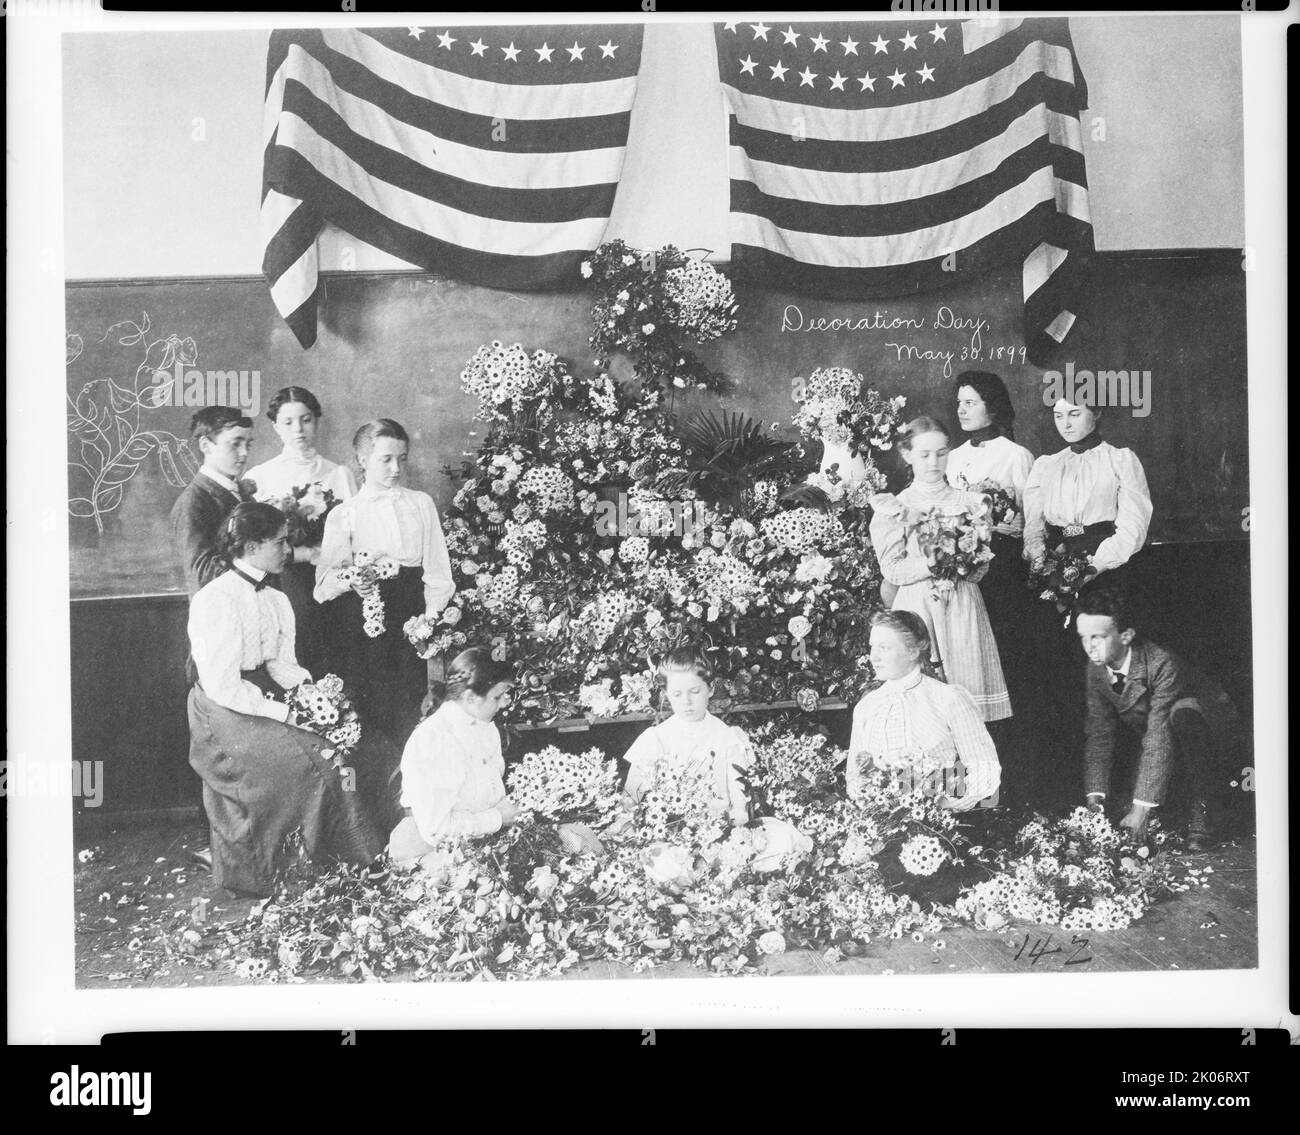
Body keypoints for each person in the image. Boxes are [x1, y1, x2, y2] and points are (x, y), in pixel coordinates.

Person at [186, 503, 386, 897]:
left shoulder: (276, 598)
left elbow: (282, 664)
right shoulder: (216, 599)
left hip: (262, 692)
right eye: (279, 542)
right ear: (249, 546)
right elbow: (222, 685)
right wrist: (286, 713)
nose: (287, 550)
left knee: (354, 744)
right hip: (222, 710)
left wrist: (313, 697)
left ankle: (350, 859)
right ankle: (297, 868)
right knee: (318, 760)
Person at [314, 419, 455, 748]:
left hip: (411, 614)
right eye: (386, 459)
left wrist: (430, 620)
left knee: (412, 703)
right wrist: (353, 582)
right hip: (364, 618)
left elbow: (437, 571)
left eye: (402, 459)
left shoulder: (420, 503)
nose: (396, 468)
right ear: (362, 460)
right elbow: (324, 583)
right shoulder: (344, 513)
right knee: (370, 704)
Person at [869, 415, 1012, 724]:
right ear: (907, 455)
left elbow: (979, 572)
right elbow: (892, 569)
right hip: (919, 609)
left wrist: (970, 563)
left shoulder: (971, 503)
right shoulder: (895, 506)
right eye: (924, 454)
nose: (934, 462)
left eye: (941, 453)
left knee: (966, 710)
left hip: (962, 608)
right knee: (924, 714)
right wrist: (933, 564)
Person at [1075, 586, 1237, 849]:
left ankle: (1205, 810)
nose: (1089, 647)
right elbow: (1099, 734)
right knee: (1136, 797)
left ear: (1126, 635)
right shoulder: (1095, 670)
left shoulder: (1161, 662)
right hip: (1162, 734)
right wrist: (1095, 798)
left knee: (1182, 713)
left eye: (1098, 637)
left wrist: (1141, 810)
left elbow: (1158, 735)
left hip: (1211, 721)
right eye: (1084, 637)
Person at [946, 371, 1043, 805]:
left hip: (1002, 569)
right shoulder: (951, 457)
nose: (962, 409)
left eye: (971, 401)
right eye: (959, 402)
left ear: (993, 405)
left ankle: (1016, 783)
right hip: (961, 566)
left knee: (1004, 664)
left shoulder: (1016, 455)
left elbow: (1030, 520)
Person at [244, 387, 357, 676]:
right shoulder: (259, 478)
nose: (299, 430)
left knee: (339, 657)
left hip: (334, 580)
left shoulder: (339, 474)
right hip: (285, 582)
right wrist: (302, 553)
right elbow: (252, 548)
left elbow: (356, 533)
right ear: (276, 427)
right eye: (288, 422)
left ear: (316, 422)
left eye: (306, 420)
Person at [847, 610, 1001, 811]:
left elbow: (984, 769)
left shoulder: (948, 698)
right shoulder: (867, 707)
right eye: (872, 647)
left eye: (884, 648)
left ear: (913, 651)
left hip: (939, 823)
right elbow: (854, 775)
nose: (874, 657)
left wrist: (941, 805)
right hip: (880, 823)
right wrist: (870, 803)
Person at [387, 648, 520, 867]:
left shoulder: (485, 727)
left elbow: (490, 792)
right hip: (434, 856)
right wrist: (497, 818)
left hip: (484, 843)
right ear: (470, 698)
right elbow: (436, 831)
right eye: (497, 697)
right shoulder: (434, 739)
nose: (505, 703)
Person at [1023, 398, 1153, 589]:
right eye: (1058, 416)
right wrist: (1037, 550)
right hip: (1057, 560)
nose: (1065, 424)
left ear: (1097, 412)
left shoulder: (1119, 460)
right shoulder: (1046, 465)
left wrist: (1095, 566)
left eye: (1074, 414)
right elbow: (1034, 521)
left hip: (1105, 563)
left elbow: (1133, 526)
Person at [622, 646, 753, 822]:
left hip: (719, 827)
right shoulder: (656, 738)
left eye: (695, 691)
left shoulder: (727, 736)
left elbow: (739, 795)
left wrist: (738, 816)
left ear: (711, 688)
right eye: (677, 694)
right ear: (666, 694)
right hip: (667, 827)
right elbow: (631, 797)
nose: (686, 702)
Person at [169, 406, 254, 596]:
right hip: (220, 614)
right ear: (205, 445)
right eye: (235, 444)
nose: (244, 453)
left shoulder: (244, 495)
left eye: (248, 444)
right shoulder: (193, 501)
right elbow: (202, 574)